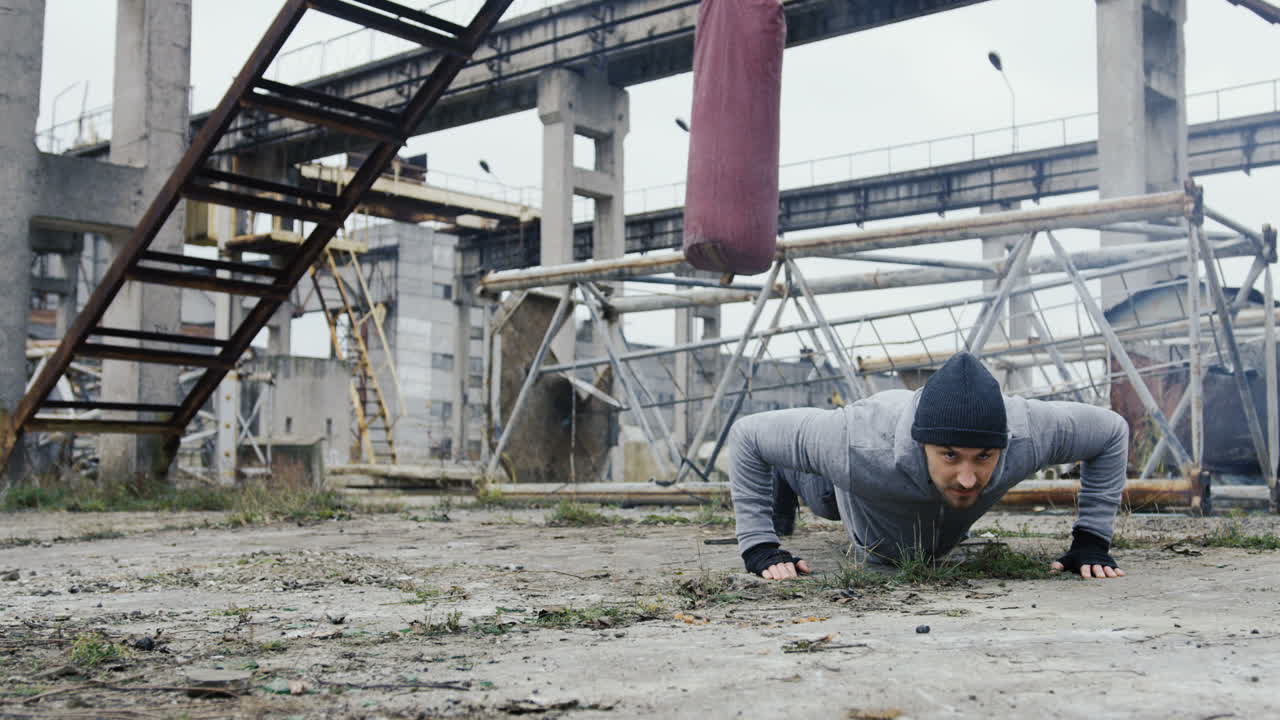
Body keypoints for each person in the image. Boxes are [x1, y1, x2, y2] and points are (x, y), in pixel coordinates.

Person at [728, 352, 1128, 581]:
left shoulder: (1029, 432)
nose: (969, 478)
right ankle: (789, 476)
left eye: (984, 458)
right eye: (950, 455)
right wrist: (759, 546)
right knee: (823, 500)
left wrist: (1091, 540)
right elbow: (748, 435)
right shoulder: (853, 441)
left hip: (913, 506)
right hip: (846, 485)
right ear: (922, 445)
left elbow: (1111, 431)